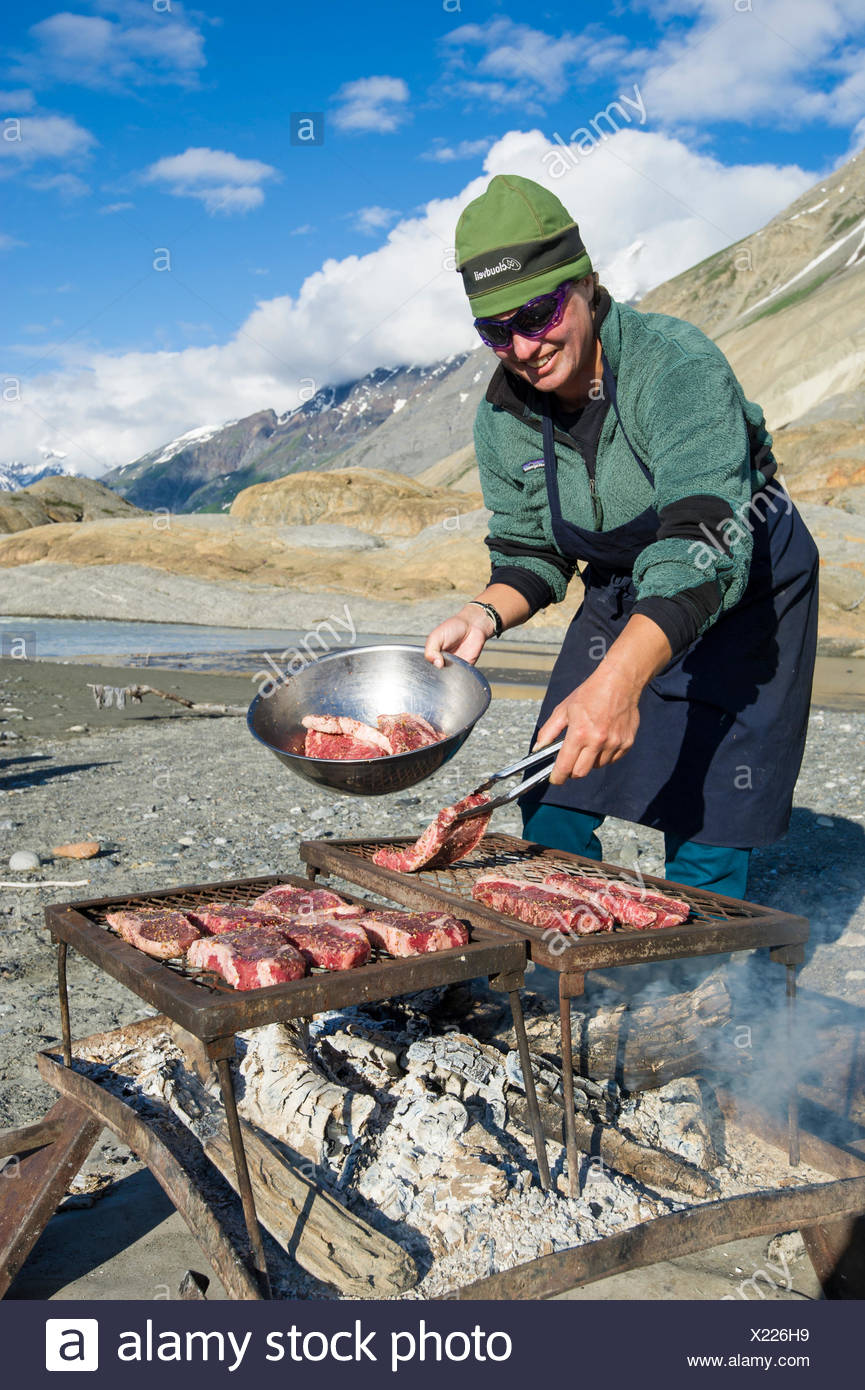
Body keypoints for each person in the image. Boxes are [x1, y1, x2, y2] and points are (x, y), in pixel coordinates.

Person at [425, 174, 819, 899]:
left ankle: (700, 985)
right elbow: (531, 554)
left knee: (707, 810)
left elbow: (702, 540)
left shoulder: (674, 367)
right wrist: (481, 613)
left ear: (585, 283)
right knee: (552, 799)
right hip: (622, 587)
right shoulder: (502, 415)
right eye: (494, 331)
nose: (522, 346)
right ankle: (565, 973)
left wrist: (619, 682)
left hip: (738, 583)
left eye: (538, 313)